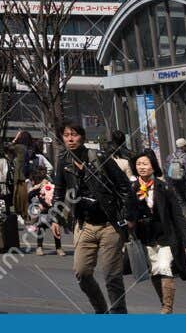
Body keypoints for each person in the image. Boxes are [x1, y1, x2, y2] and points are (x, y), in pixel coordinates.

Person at [55, 120, 132, 314]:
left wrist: (126, 216)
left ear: (82, 136)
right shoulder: (63, 160)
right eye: (66, 135)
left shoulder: (99, 157)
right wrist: (56, 218)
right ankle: (101, 310)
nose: (70, 139)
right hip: (84, 224)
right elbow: (59, 190)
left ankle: (118, 315)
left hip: (109, 224)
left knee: (112, 276)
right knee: (82, 272)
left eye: (74, 134)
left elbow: (124, 186)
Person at [126, 152, 186, 313]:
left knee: (164, 267)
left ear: (153, 166)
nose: (141, 167)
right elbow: (127, 213)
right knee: (155, 271)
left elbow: (177, 215)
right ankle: (164, 303)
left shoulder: (164, 187)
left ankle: (167, 307)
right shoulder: (132, 189)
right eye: (139, 164)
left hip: (166, 236)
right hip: (145, 237)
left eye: (145, 164)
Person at [23, 161, 64, 255]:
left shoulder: (49, 181)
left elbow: (53, 191)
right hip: (40, 208)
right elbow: (30, 195)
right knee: (41, 228)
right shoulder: (32, 182)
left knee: (55, 227)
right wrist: (38, 187)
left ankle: (59, 248)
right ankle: (39, 247)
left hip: (51, 207)